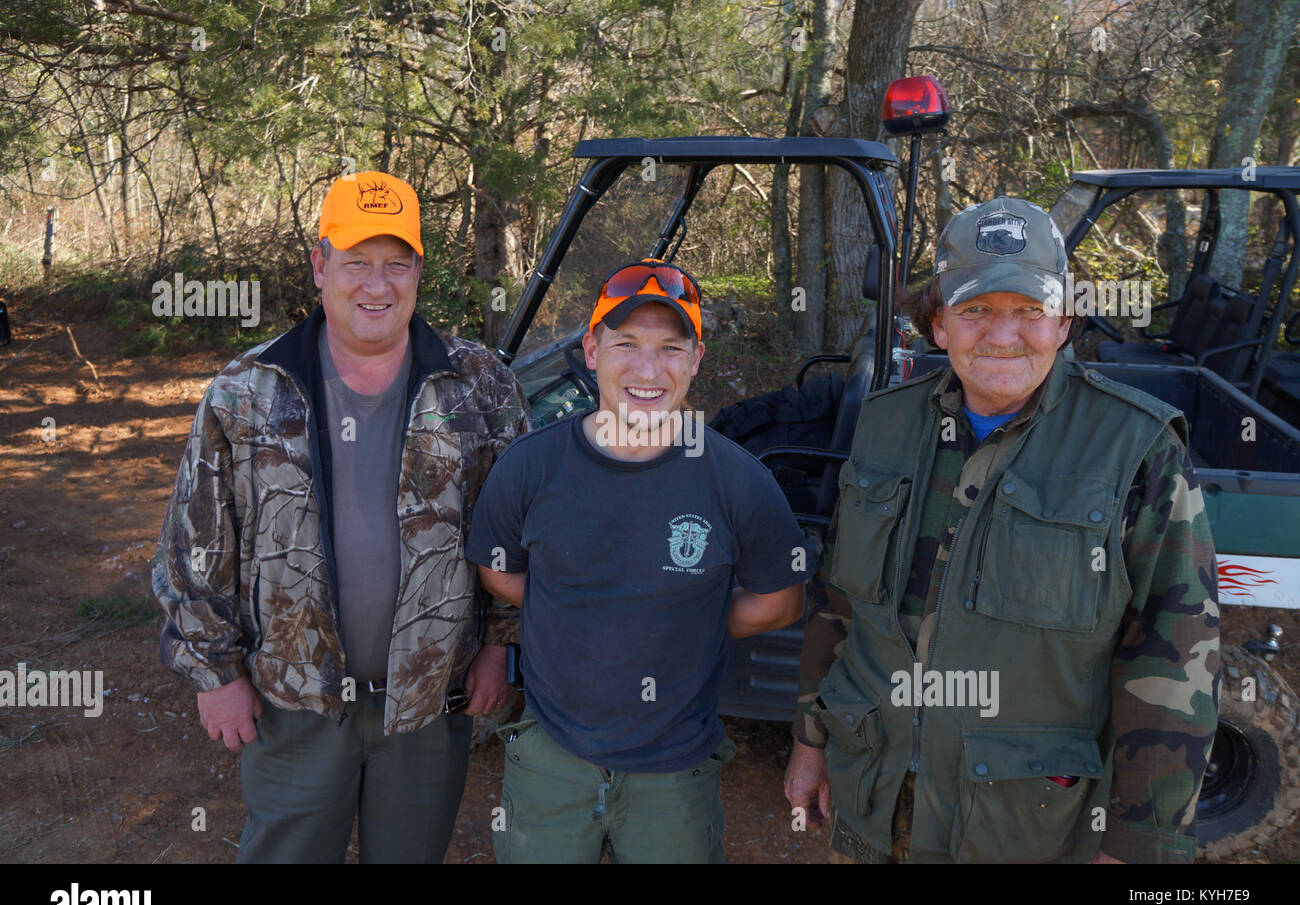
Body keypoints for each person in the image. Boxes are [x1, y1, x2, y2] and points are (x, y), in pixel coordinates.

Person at [784, 197, 1220, 864]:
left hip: (1026, 827)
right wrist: (810, 738)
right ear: (939, 324)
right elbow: (840, 600)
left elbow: (1173, 655)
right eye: (976, 309)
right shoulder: (885, 423)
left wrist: (1140, 844)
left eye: (1029, 310)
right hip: (877, 799)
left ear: (1064, 321)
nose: (1003, 333)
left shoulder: (1137, 449)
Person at [152, 171, 529, 863]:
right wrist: (217, 672)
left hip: (425, 702)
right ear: (321, 264)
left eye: (395, 264)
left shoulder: (480, 385)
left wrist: (501, 645)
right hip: (293, 703)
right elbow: (196, 545)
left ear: (419, 270)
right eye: (356, 262)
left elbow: (514, 533)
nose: (376, 286)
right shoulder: (248, 391)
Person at [467, 259, 810, 863]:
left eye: (670, 348)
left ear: (696, 358)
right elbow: (497, 568)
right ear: (592, 349)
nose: (647, 369)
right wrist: (582, 607)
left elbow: (781, 601)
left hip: (674, 770)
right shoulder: (529, 466)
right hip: (553, 756)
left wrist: (692, 613)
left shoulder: (738, 480)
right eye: (626, 343)